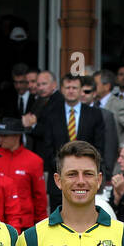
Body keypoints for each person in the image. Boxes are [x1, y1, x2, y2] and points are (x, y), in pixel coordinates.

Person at [37, 74, 107, 208]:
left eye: (74, 87)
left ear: (81, 90)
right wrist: (63, 169)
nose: (70, 90)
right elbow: (48, 147)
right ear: (61, 90)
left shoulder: (95, 114)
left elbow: (99, 146)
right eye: (67, 87)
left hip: (86, 180)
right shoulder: (51, 114)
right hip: (58, 180)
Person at [0, 118, 47, 230]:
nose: (0, 139)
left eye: (5, 136)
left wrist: (42, 226)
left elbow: (39, 197)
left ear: (17, 136)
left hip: (24, 223)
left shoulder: (34, 161)